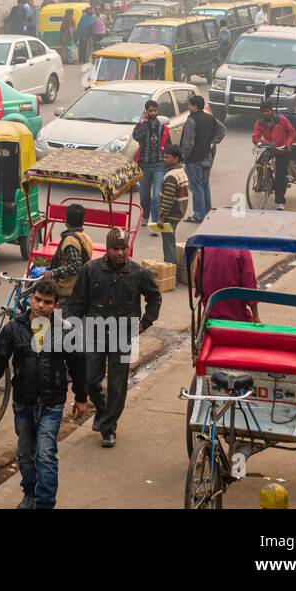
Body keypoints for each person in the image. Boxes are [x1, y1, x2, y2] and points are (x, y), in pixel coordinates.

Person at [0, 277, 87, 509]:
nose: (40, 305)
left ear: (55, 306)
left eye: (47, 302)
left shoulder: (65, 331)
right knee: (26, 456)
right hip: (23, 402)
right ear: (30, 299)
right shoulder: (13, 328)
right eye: (37, 299)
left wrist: (81, 397)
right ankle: (30, 493)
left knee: (46, 455)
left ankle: (45, 503)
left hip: (52, 403)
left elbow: (78, 365)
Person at [67, 228, 161, 448]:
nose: (120, 253)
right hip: (95, 333)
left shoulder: (139, 273)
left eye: (123, 248)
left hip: (123, 335)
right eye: (115, 248)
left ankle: (108, 428)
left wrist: (145, 321)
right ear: (107, 249)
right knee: (91, 380)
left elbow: (154, 297)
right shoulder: (90, 270)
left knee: (117, 386)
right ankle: (102, 411)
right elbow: (77, 302)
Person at [180, 95, 225, 222]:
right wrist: (212, 142)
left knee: (196, 187)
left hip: (194, 159)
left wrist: (183, 157)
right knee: (205, 185)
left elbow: (188, 143)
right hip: (207, 157)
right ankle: (207, 211)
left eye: (190, 105)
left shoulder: (191, 120)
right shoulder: (210, 118)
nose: (188, 107)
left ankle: (198, 215)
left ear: (195, 106)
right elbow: (222, 130)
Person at [39, 202, 92, 302]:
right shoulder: (85, 237)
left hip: (67, 292)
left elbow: (75, 266)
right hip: (79, 288)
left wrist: (53, 272)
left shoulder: (70, 240)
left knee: (56, 315)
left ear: (66, 221)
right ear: (82, 221)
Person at [195, 247, 259, 322]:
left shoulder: (205, 249)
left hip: (210, 318)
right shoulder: (242, 250)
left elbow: (198, 286)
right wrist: (256, 316)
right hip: (237, 319)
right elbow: (249, 286)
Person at [252, 102, 296, 209]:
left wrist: (288, 144)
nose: (265, 113)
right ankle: (263, 182)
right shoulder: (260, 122)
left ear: (271, 111)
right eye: (263, 112)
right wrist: (262, 142)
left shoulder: (281, 120)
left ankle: (280, 201)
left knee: (280, 176)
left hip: (283, 149)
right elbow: (255, 136)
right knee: (259, 163)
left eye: (267, 111)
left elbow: (292, 132)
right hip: (270, 148)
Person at [131, 99, 168, 227]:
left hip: (159, 166)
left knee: (157, 196)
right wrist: (145, 122)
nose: (153, 113)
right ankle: (145, 216)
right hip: (144, 165)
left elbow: (168, 146)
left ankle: (155, 222)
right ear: (146, 112)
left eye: (155, 111)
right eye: (150, 111)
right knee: (144, 196)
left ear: (158, 111)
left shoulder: (163, 128)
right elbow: (136, 136)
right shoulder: (141, 125)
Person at [156, 144, 189, 267]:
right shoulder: (180, 171)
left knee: (168, 244)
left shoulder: (171, 176)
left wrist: (161, 217)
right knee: (170, 240)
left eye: (167, 157)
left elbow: (168, 199)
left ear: (176, 159)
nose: (164, 159)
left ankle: (171, 272)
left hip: (171, 215)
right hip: (178, 213)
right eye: (164, 157)